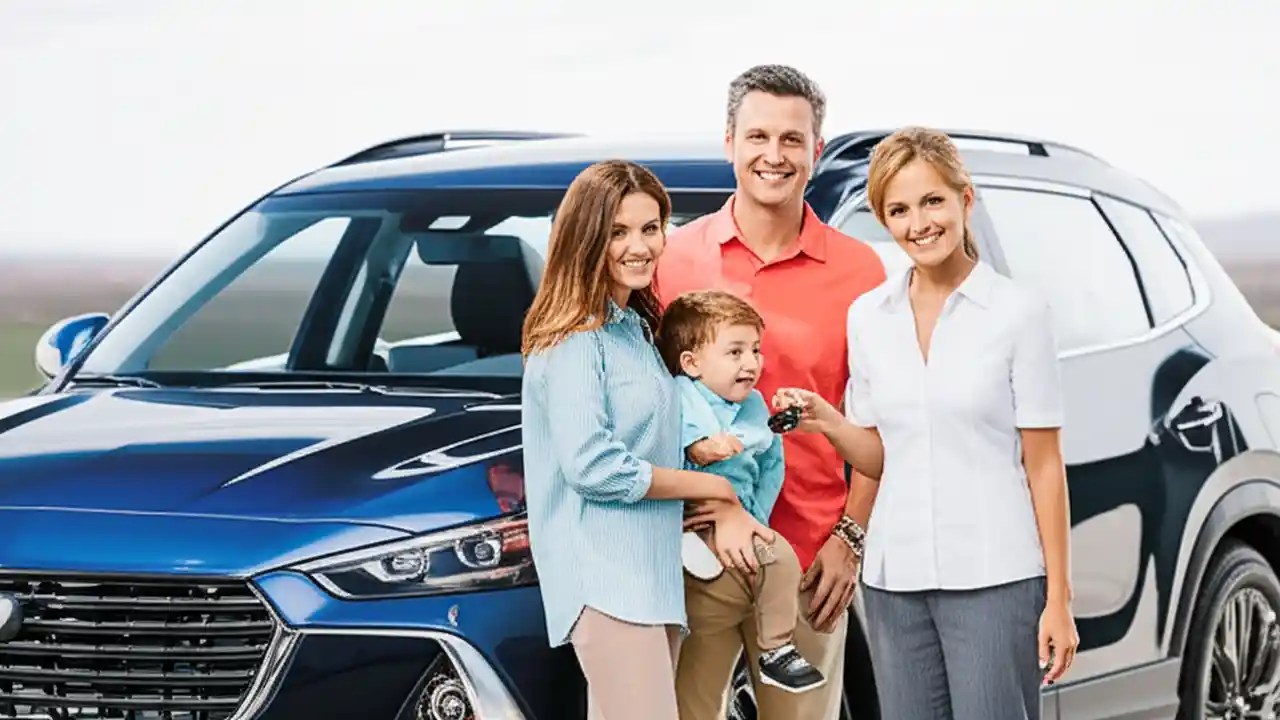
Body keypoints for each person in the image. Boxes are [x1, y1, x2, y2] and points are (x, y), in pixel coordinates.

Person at [774, 126, 1079, 720]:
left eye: (933, 201)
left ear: (965, 200)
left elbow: (1044, 465)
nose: (919, 223)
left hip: (996, 578)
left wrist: (1058, 599)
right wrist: (830, 424)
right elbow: (881, 456)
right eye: (899, 209)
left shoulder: (1019, 313)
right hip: (895, 582)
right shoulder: (868, 318)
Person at [655, 64, 887, 719]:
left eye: (792, 139)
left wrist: (851, 538)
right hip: (689, 557)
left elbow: (878, 423)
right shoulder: (673, 259)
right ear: (729, 141)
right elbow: (644, 406)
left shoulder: (858, 271)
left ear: (816, 150)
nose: (774, 154)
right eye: (758, 135)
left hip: (809, 561)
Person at [520, 159, 772, 720]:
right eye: (617, 231)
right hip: (605, 579)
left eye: (651, 227)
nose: (640, 246)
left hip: (651, 574)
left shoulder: (633, 327)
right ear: (586, 238)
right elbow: (593, 466)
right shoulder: (576, 340)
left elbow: (652, 445)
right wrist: (712, 487)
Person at [656, 289, 835, 694]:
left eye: (755, 350)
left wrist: (758, 519)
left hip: (741, 512)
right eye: (735, 352)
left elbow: (771, 464)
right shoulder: (681, 394)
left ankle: (774, 648)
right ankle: (775, 646)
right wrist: (703, 446)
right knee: (778, 560)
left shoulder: (755, 405)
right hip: (690, 507)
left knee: (777, 558)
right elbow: (683, 442)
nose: (751, 363)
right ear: (691, 363)